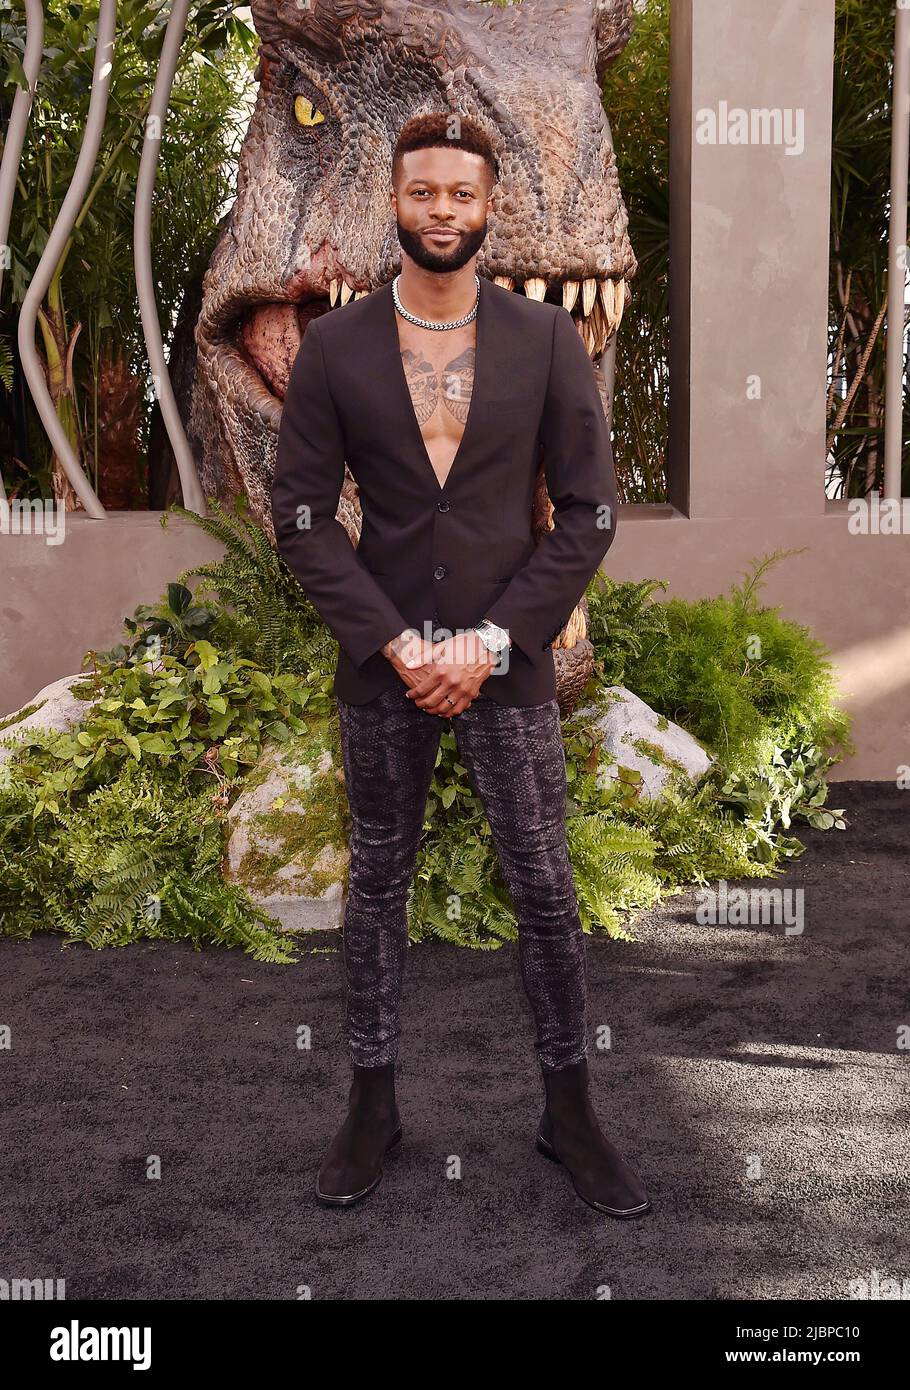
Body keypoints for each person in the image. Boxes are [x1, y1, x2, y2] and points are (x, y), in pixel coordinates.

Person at [271, 112, 651, 1219]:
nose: (443, 210)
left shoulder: (541, 342)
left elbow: (588, 513)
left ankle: (569, 1112)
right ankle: (373, 1103)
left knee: (543, 887)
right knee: (376, 885)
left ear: (490, 210)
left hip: (507, 659)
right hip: (383, 661)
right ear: (395, 202)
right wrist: (392, 640)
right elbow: (300, 515)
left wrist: (491, 640)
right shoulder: (336, 349)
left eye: (462, 195)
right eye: (424, 192)